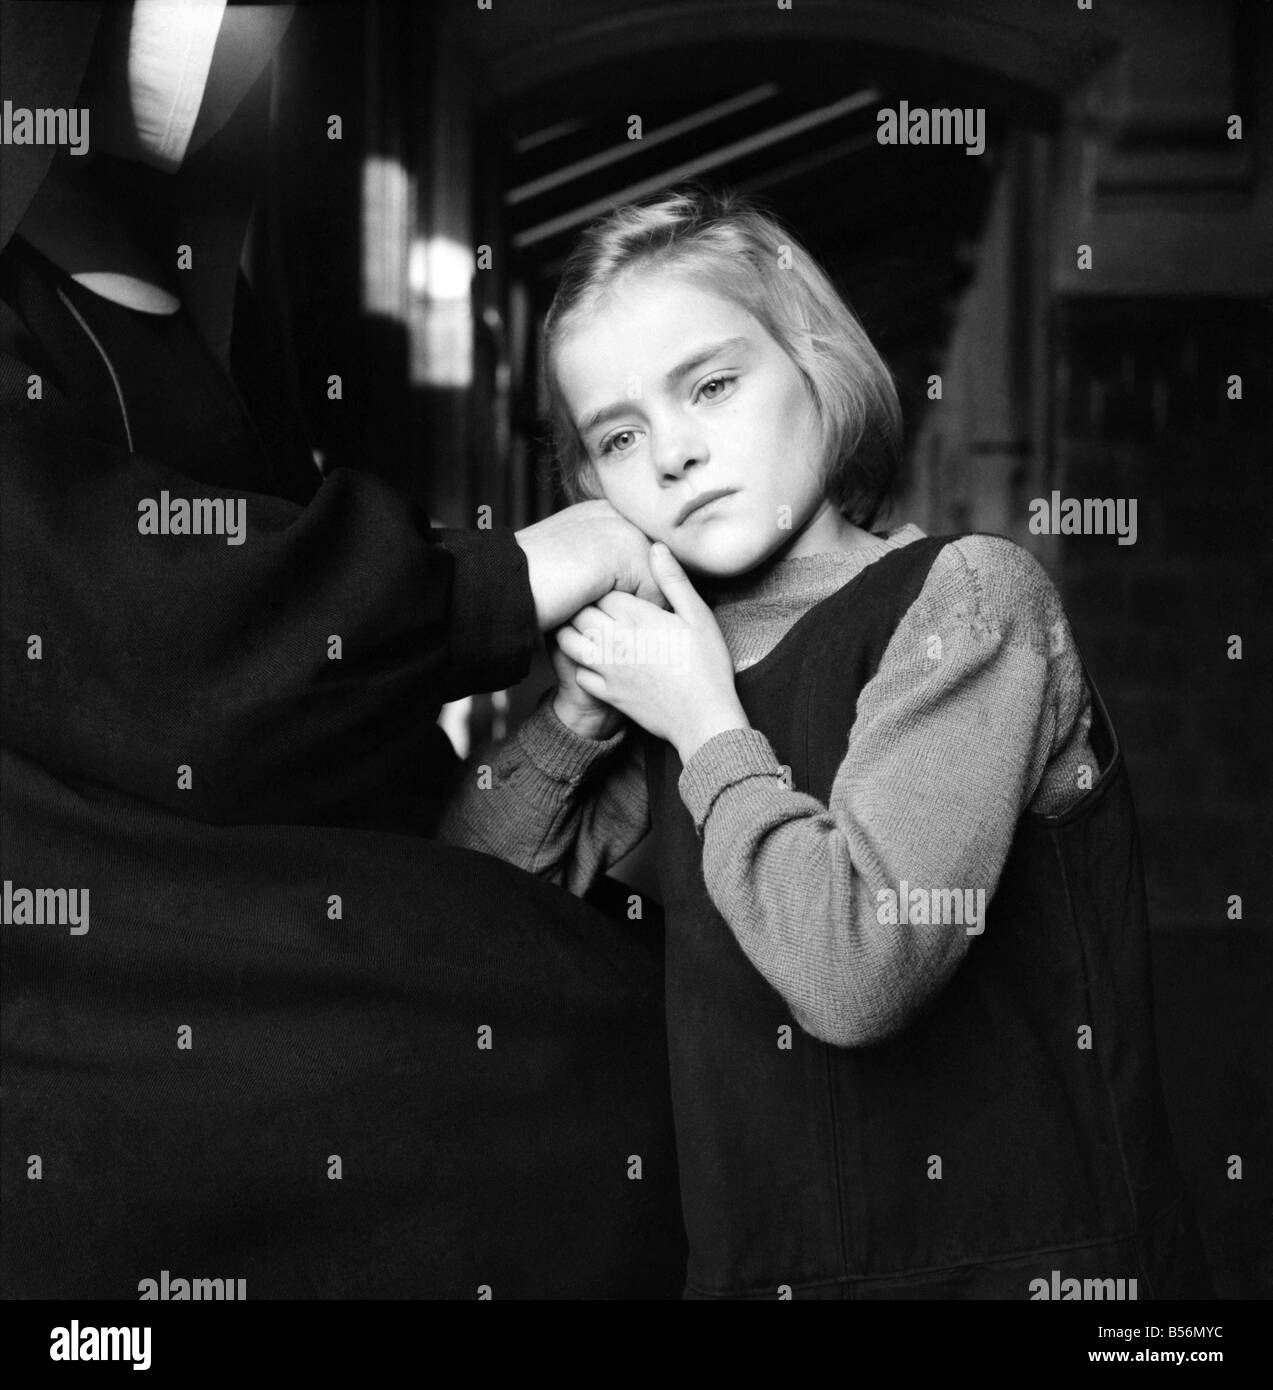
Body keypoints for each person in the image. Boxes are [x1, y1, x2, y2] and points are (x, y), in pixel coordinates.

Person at [0, 0, 687, 1298]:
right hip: (81, 932)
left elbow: (304, 694)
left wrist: (551, 748)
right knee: (591, 1059)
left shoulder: (208, 284)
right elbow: (147, 630)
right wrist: (508, 574)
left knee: (631, 982)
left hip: (228, 856)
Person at [438, 185, 1212, 1300]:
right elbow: (460, 923)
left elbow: (860, 973)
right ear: (592, 488)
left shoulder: (967, 599)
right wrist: (579, 719)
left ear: (815, 364)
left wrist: (703, 719)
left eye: (711, 385)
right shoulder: (669, 674)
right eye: (619, 436)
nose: (672, 454)